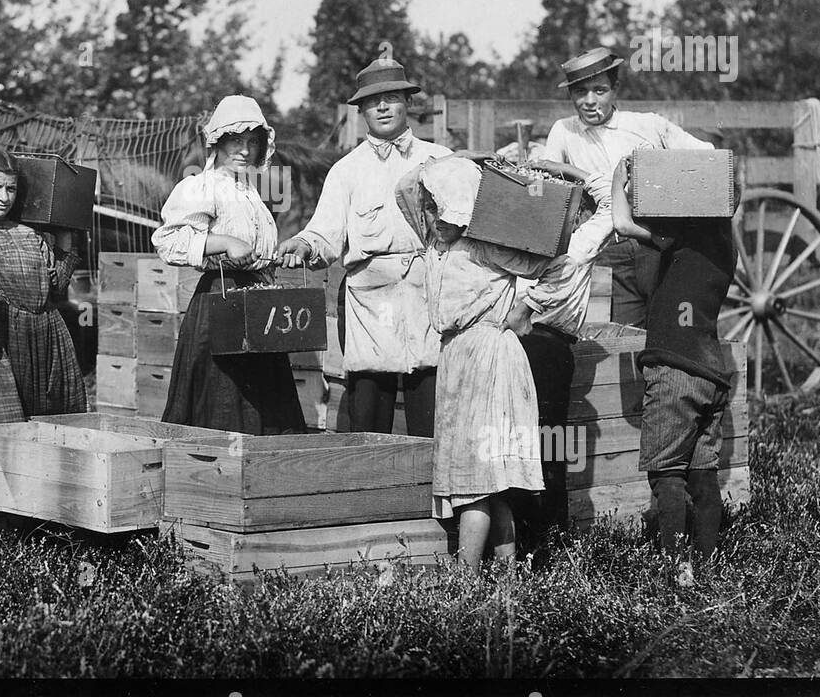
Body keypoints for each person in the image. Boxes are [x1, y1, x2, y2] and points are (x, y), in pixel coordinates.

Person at [395, 155, 572, 570]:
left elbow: (560, 265)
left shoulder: (488, 246)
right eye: (432, 207)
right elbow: (405, 188)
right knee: (486, 483)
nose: (435, 216)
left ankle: (466, 578)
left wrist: (525, 308)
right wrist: (459, 164)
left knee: (477, 482)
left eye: (444, 206)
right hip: (458, 359)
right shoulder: (436, 242)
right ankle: (510, 578)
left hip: (490, 359)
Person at [276, 49, 451, 437]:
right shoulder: (346, 171)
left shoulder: (440, 160)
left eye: (390, 98)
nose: (383, 108)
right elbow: (325, 232)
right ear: (362, 111)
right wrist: (304, 244)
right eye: (373, 102)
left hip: (427, 297)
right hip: (372, 304)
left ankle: (432, 495)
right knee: (369, 414)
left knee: (432, 410)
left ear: (407, 102)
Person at [611, 152, 740, 586]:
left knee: (666, 473)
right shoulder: (725, 246)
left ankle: (674, 567)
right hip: (712, 372)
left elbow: (623, 224)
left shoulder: (685, 234)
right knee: (702, 474)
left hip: (674, 368)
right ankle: (706, 567)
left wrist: (619, 178)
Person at [525, 47, 715, 336]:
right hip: (606, 253)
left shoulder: (647, 125)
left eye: (599, 90)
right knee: (624, 337)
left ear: (615, 89)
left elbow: (707, 157)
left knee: (673, 327)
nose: (590, 101)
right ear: (570, 95)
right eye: (580, 92)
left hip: (655, 244)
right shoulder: (564, 131)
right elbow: (551, 188)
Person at [152, 95, 306, 435]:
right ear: (217, 142)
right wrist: (224, 243)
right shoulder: (200, 186)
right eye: (235, 140)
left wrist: (276, 255)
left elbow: (254, 247)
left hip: (256, 305)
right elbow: (168, 242)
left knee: (262, 404)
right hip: (220, 303)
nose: (244, 150)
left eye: (252, 142)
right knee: (221, 402)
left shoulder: (252, 193)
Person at [0, 143, 87, 426]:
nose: (3, 197)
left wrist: (67, 233)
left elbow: (57, 288)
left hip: (45, 338)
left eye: (11, 189)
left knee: (53, 428)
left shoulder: (31, 235)